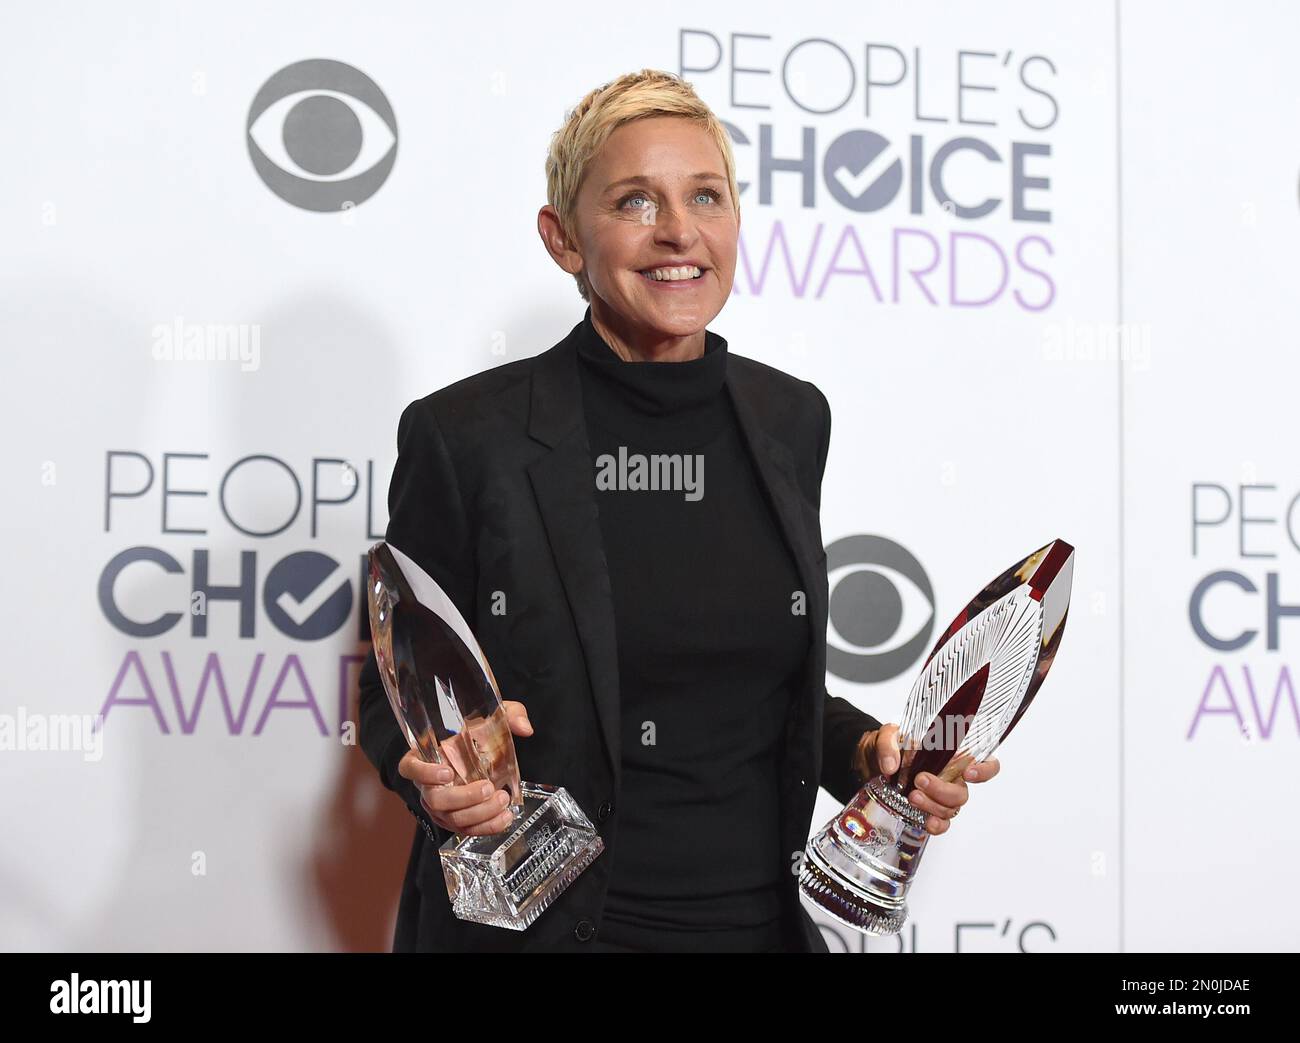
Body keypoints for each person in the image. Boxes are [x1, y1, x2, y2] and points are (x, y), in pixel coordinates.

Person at [357, 69, 999, 953]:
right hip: (550, 934)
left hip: (753, 928)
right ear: (563, 239)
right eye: (633, 202)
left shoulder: (789, 418)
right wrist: (434, 766)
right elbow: (391, 695)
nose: (679, 232)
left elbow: (754, 691)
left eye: (706, 194)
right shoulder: (468, 436)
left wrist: (867, 754)